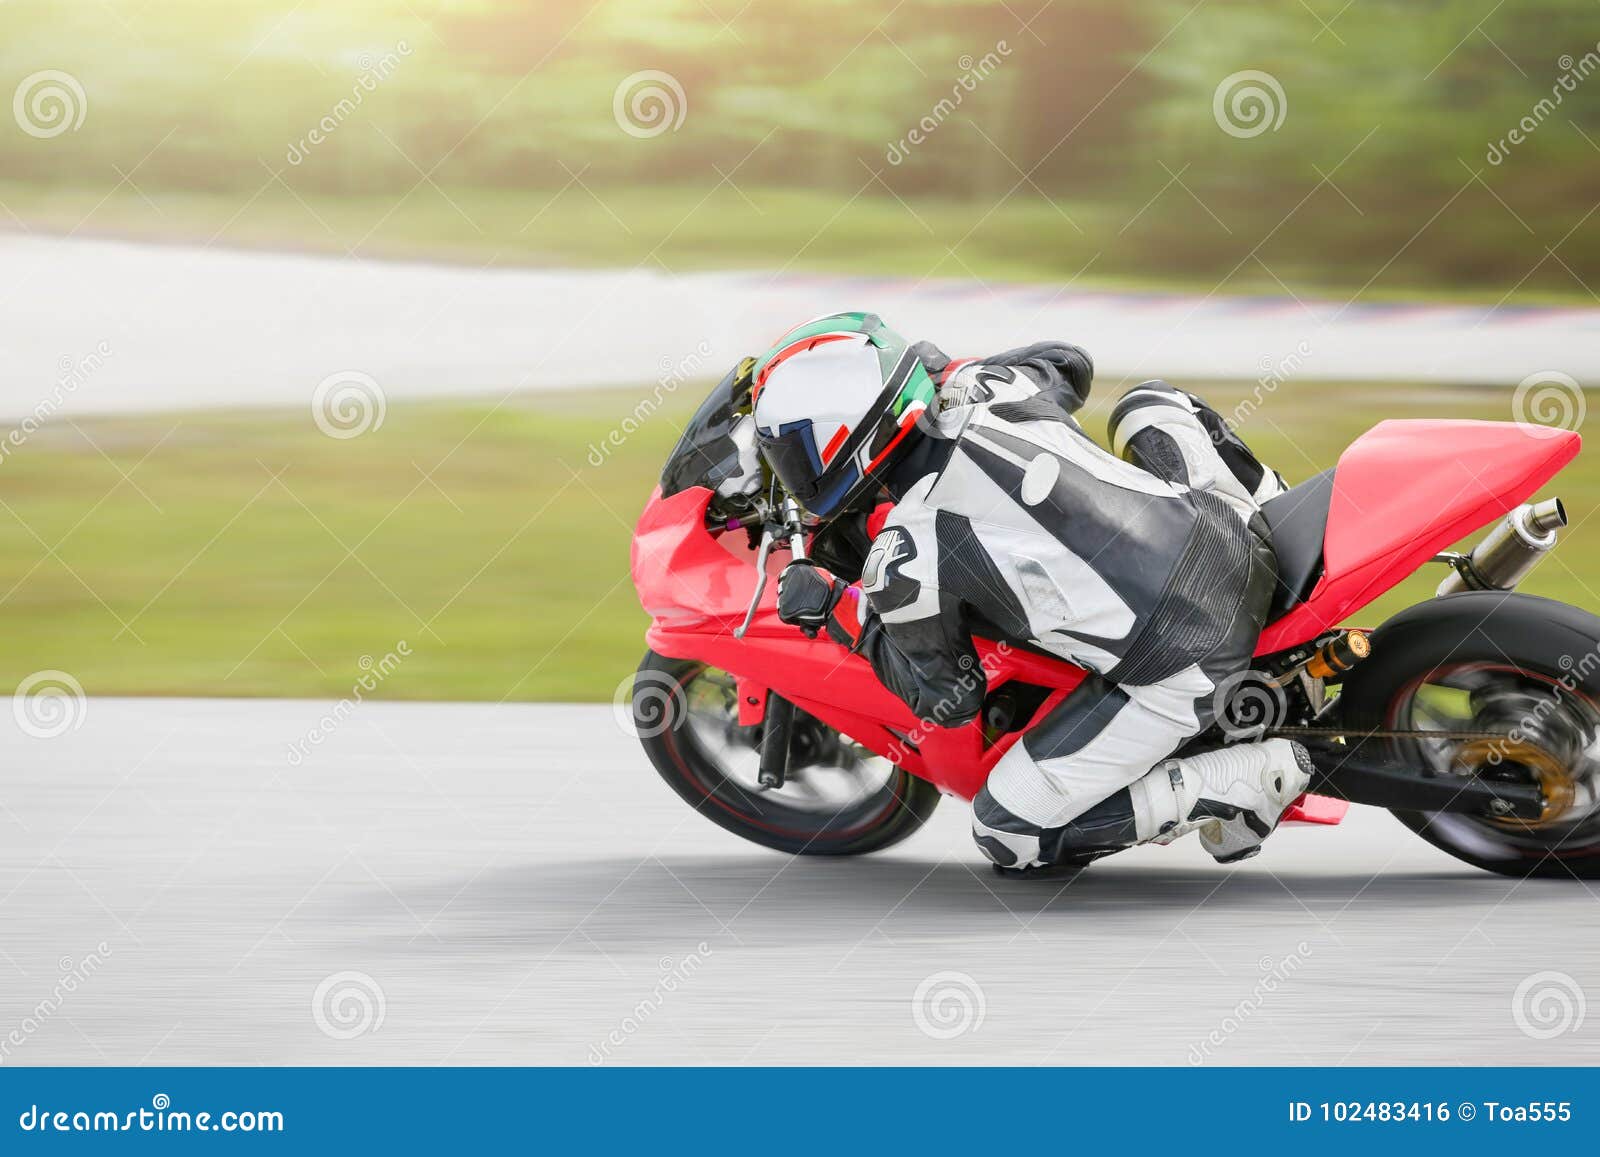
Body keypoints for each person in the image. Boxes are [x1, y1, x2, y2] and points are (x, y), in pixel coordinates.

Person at [746, 311, 1312, 876]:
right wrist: (947, 371)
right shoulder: (989, 387)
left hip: (1185, 662)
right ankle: (1296, 556)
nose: (790, 469)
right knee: (1150, 401)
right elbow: (1071, 363)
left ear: (846, 438)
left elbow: (947, 699)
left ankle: (1237, 785)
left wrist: (837, 612)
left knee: (1008, 834)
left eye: (793, 455)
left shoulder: (904, 555)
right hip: (1234, 535)